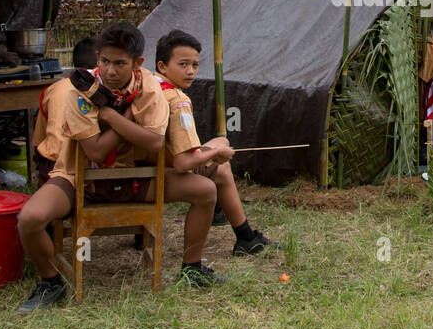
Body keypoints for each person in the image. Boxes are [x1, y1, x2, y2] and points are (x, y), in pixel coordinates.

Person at [15, 23, 217, 311]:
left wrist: (110, 115)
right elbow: (95, 149)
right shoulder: (80, 89)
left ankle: (192, 268)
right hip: (80, 180)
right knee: (30, 219)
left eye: (120, 63)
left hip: (136, 178)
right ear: (98, 57)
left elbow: (154, 143)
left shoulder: (149, 86)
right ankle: (51, 282)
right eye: (104, 61)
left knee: (206, 190)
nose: (110, 71)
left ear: (137, 64)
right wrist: (129, 119)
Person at [155, 29, 279, 260]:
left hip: (150, 165)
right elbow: (183, 163)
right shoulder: (177, 100)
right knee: (221, 166)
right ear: (163, 66)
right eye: (183, 64)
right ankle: (243, 236)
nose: (191, 71)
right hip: (159, 173)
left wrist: (215, 149)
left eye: (194, 65)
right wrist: (218, 153)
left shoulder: (150, 86)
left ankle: (240, 231)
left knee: (220, 141)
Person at [33, 36, 98, 177]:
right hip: (86, 165)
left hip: (51, 162)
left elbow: (38, 139)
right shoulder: (100, 89)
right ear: (101, 62)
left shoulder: (53, 89)